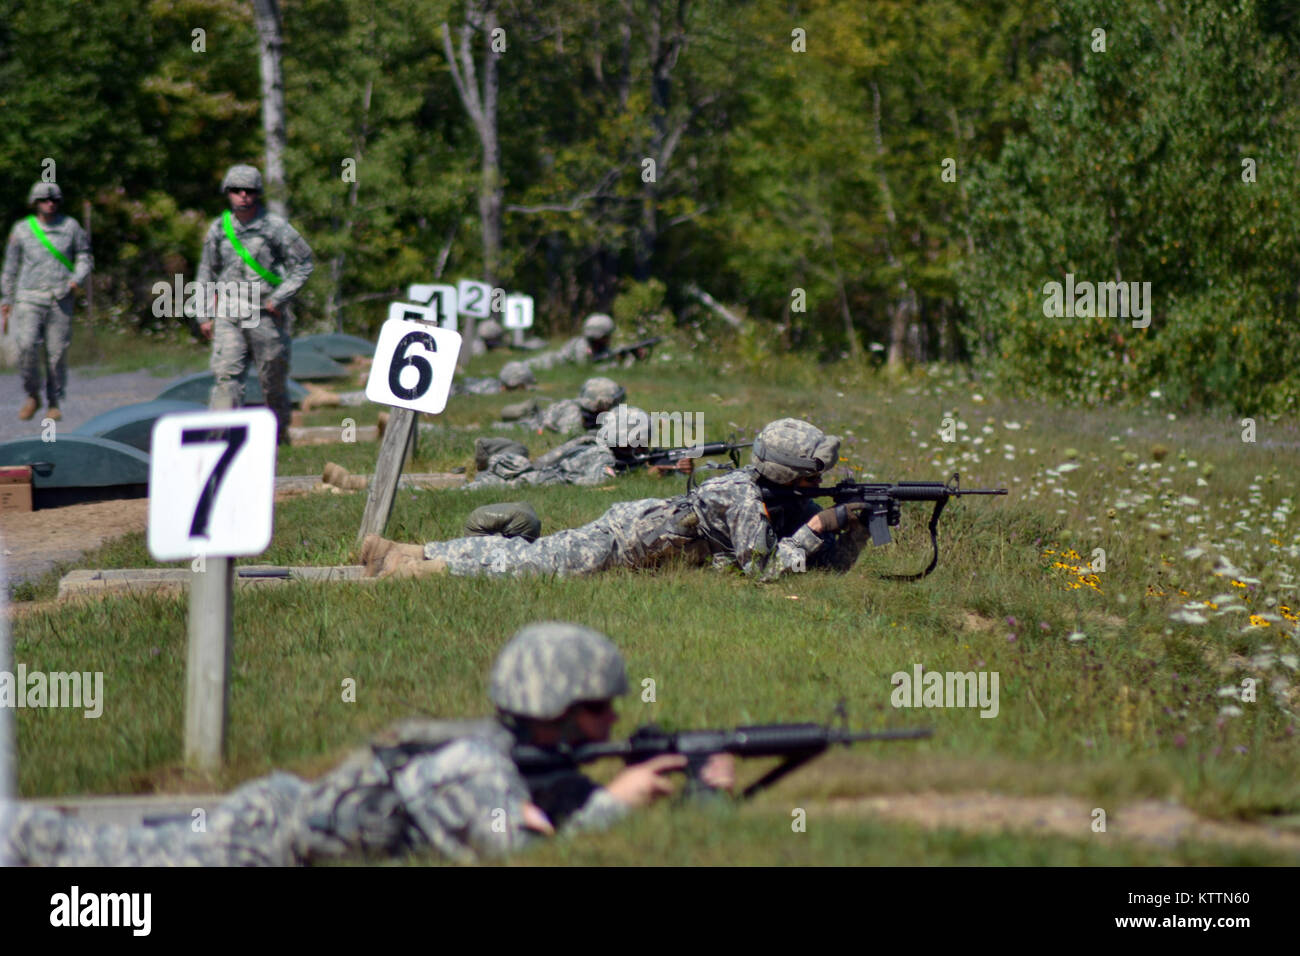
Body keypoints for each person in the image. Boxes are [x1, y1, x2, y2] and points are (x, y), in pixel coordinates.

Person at [1, 623, 732, 866]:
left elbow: (557, 814)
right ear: (556, 709)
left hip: (287, 826)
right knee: (72, 857)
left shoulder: (521, 756)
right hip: (254, 848)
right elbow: (522, 850)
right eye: (598, 707)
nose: (611, 723)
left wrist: (705, 793)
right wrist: (623, 800)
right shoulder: (473, 768)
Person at [361, 417, 871, 581]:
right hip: (622, 541)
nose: (820, 478)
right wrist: (821, 527)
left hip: (637, 535)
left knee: (535, 557)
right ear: (790, 472)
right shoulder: (743, 496)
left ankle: (408, 551)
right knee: (536, 564)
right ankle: (420, 561)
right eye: (814, 470)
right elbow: (761, 568)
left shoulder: (770, 494)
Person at [197, 164, 314, 444]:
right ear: (227, 193)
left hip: (265, 315)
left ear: (257, 194)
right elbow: (206, 272)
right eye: (236, 191)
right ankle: (220, 439)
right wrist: (203, 314)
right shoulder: (218, 229)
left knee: (271, 382)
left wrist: (280, 296)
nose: (243, 196)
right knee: (227, 378)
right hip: (228, 315)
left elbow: (304, 263)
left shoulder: (274, 227)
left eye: (249, 191)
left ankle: (277, 437)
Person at [0, 182, 93, 421]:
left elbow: (85, 257)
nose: (49, 204)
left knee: (56, 353)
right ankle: (32, 394)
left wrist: (76, 280)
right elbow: (10, 268)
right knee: (26, 346)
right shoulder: (22, 230)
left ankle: (54, 401)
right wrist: (6, 299)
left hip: (60, 298)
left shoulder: (70, 227)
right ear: (35, 203)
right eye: (44, 200)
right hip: (28, 297)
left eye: (54, 200)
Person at [497, 375, 625, 434]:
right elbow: (569, 433)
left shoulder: (595, 415)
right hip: (536, 422)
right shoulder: (574, 413)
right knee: (506, 427)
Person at [523, 312, 614, 371]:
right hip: (545, 364)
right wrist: (611, 366)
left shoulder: (595, 347)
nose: (609, 338)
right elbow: (584, 367)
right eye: (607, 336)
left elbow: (601, 357)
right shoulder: (581, 346)